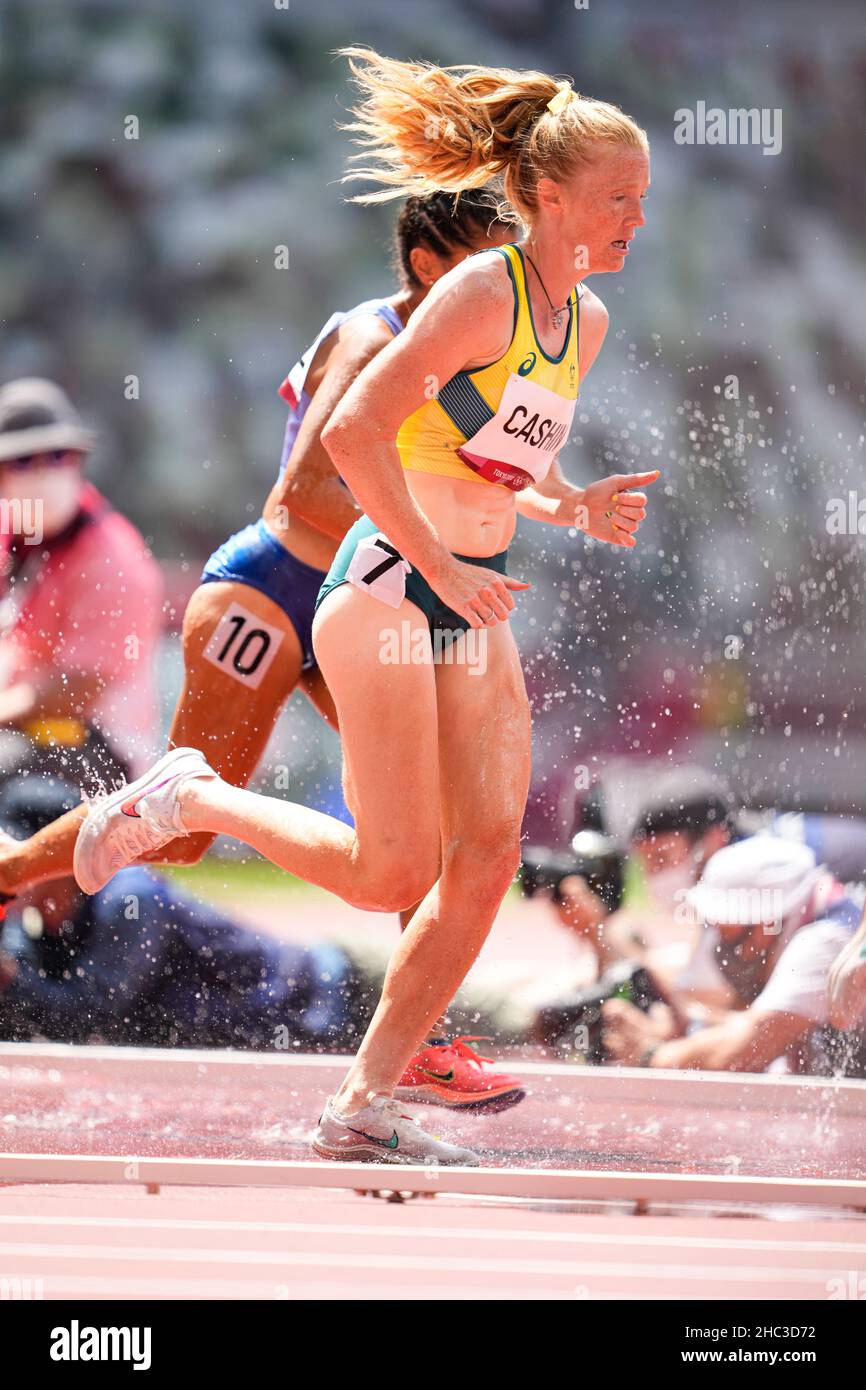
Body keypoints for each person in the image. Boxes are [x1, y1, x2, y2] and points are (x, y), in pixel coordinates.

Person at [72, 48, 657, 1166]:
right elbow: (353, 434)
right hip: (389, 589)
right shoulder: (479, 290)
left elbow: (488, 459)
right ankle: (194, 791)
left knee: (481, 857)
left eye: (642, 200)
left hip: (468, 606)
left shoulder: (580, 323)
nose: (635, 217)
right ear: (544, 197)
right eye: (617, 198)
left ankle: (361, 1102)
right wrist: (437, 563)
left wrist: (571, 505)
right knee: (390, 869)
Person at [0, 194, 526, 1111]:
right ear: (437, 267)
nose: (511, 295)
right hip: (275, 592)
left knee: (427, 820)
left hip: (355, 602)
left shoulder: (462, 351)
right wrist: (428, 533)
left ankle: (419, 1042)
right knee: (188, 832)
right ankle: (8, 874)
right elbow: (308, 491)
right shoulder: (376, 339)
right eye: (493, 269)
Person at [0, 776, 357, 1051]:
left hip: (333, 992)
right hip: (298, 1018)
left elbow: (97, 1015)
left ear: (55, 858)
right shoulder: (39, 915)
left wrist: (9, 978)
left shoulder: (129, 898)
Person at [0, 378, 162, 790]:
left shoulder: (113, 560)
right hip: (22, 732)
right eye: (23, 461)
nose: (42, 473)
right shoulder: (15, 540)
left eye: (57, 456)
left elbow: (78, 689)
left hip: (99, 752)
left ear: (78, 462)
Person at [602, 835, 866, 1076]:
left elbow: (744, 1052)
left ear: (767, 923)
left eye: (727, 932)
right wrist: (687, 1028)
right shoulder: (810, 912)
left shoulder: (826, 939)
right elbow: (748, 1021)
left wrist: (650, 1054)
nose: (721, 945)